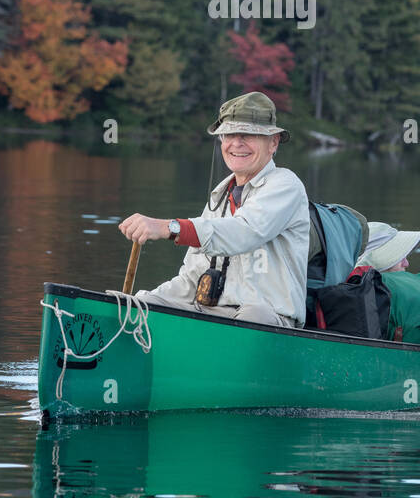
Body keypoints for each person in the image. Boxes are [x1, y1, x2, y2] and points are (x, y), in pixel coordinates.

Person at [119, 92, 309, 328]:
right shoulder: (219, 197)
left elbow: (243, 232)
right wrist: (139, 302)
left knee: (253, 316)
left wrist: (169, 228)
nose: (237, 143)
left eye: (249, 134)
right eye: (229, 134)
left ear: (273, 142)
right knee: (142, 303)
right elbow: (191, 279)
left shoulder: (286, 185)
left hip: (268, 319)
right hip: (213, 314)